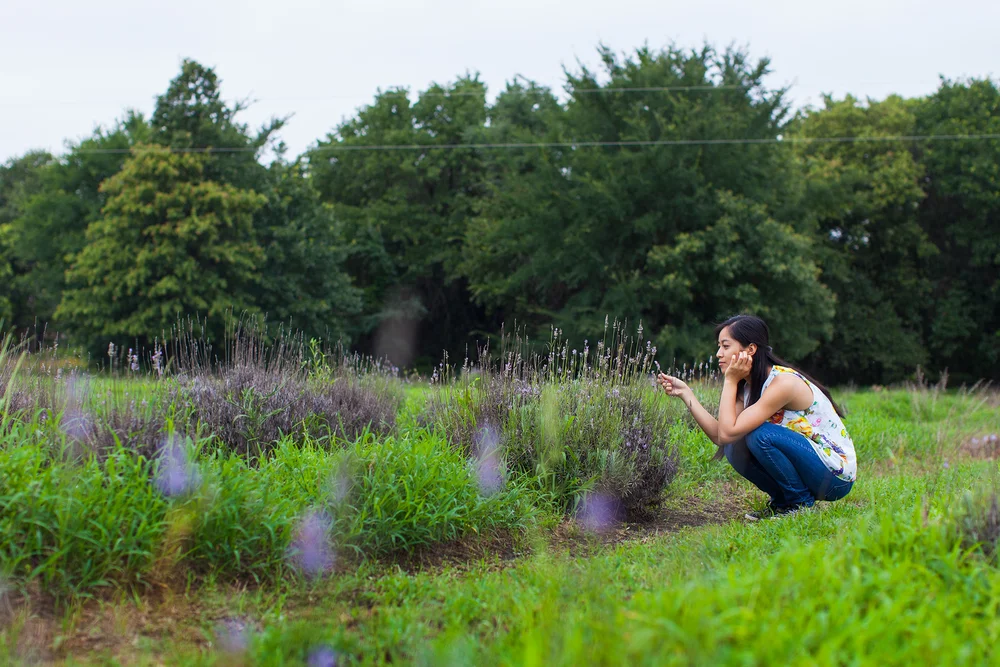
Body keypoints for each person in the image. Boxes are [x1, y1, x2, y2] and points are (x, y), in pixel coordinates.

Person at [657, 314, 856, 520]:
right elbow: (722, 436)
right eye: (718, 347)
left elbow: (728, 432)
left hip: (835, 476)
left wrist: (730, 381)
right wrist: (686, 394)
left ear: (750, 350)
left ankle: (800, 504)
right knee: (735, 446)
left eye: (725, 346)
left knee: (758, 435)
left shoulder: (783, 383)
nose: (718, 354)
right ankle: (783, 503)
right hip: (813, 466)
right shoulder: (746, 387)